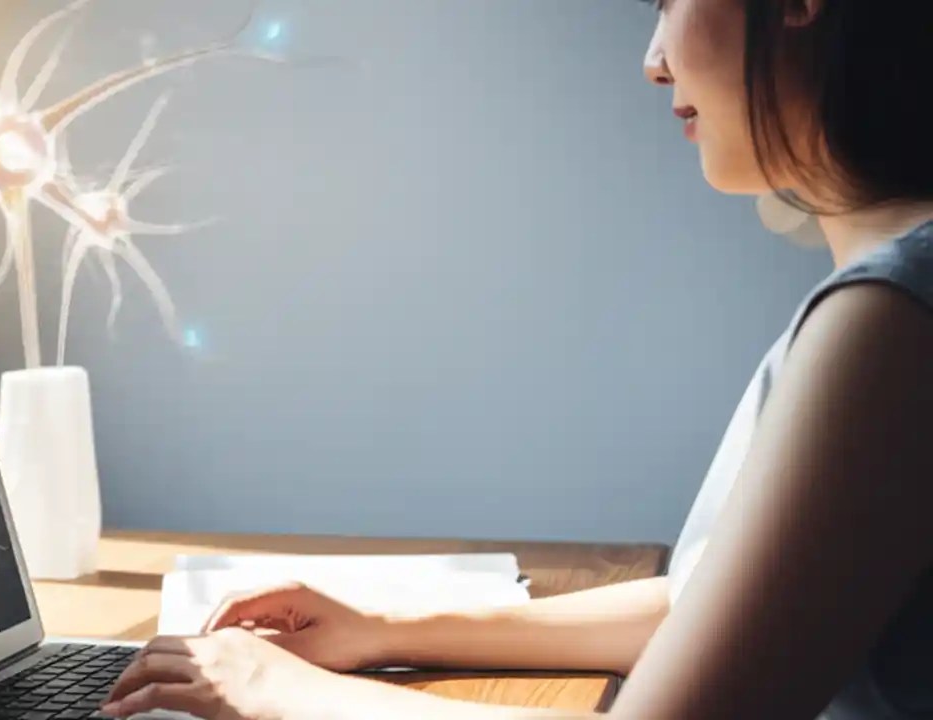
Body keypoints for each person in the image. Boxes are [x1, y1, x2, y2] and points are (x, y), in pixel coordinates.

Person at [102, 0, 933, 717]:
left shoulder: (888, 321)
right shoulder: (893, 295)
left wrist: (284, 692)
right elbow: (717, 607)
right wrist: (381, 630)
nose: (653, 62)